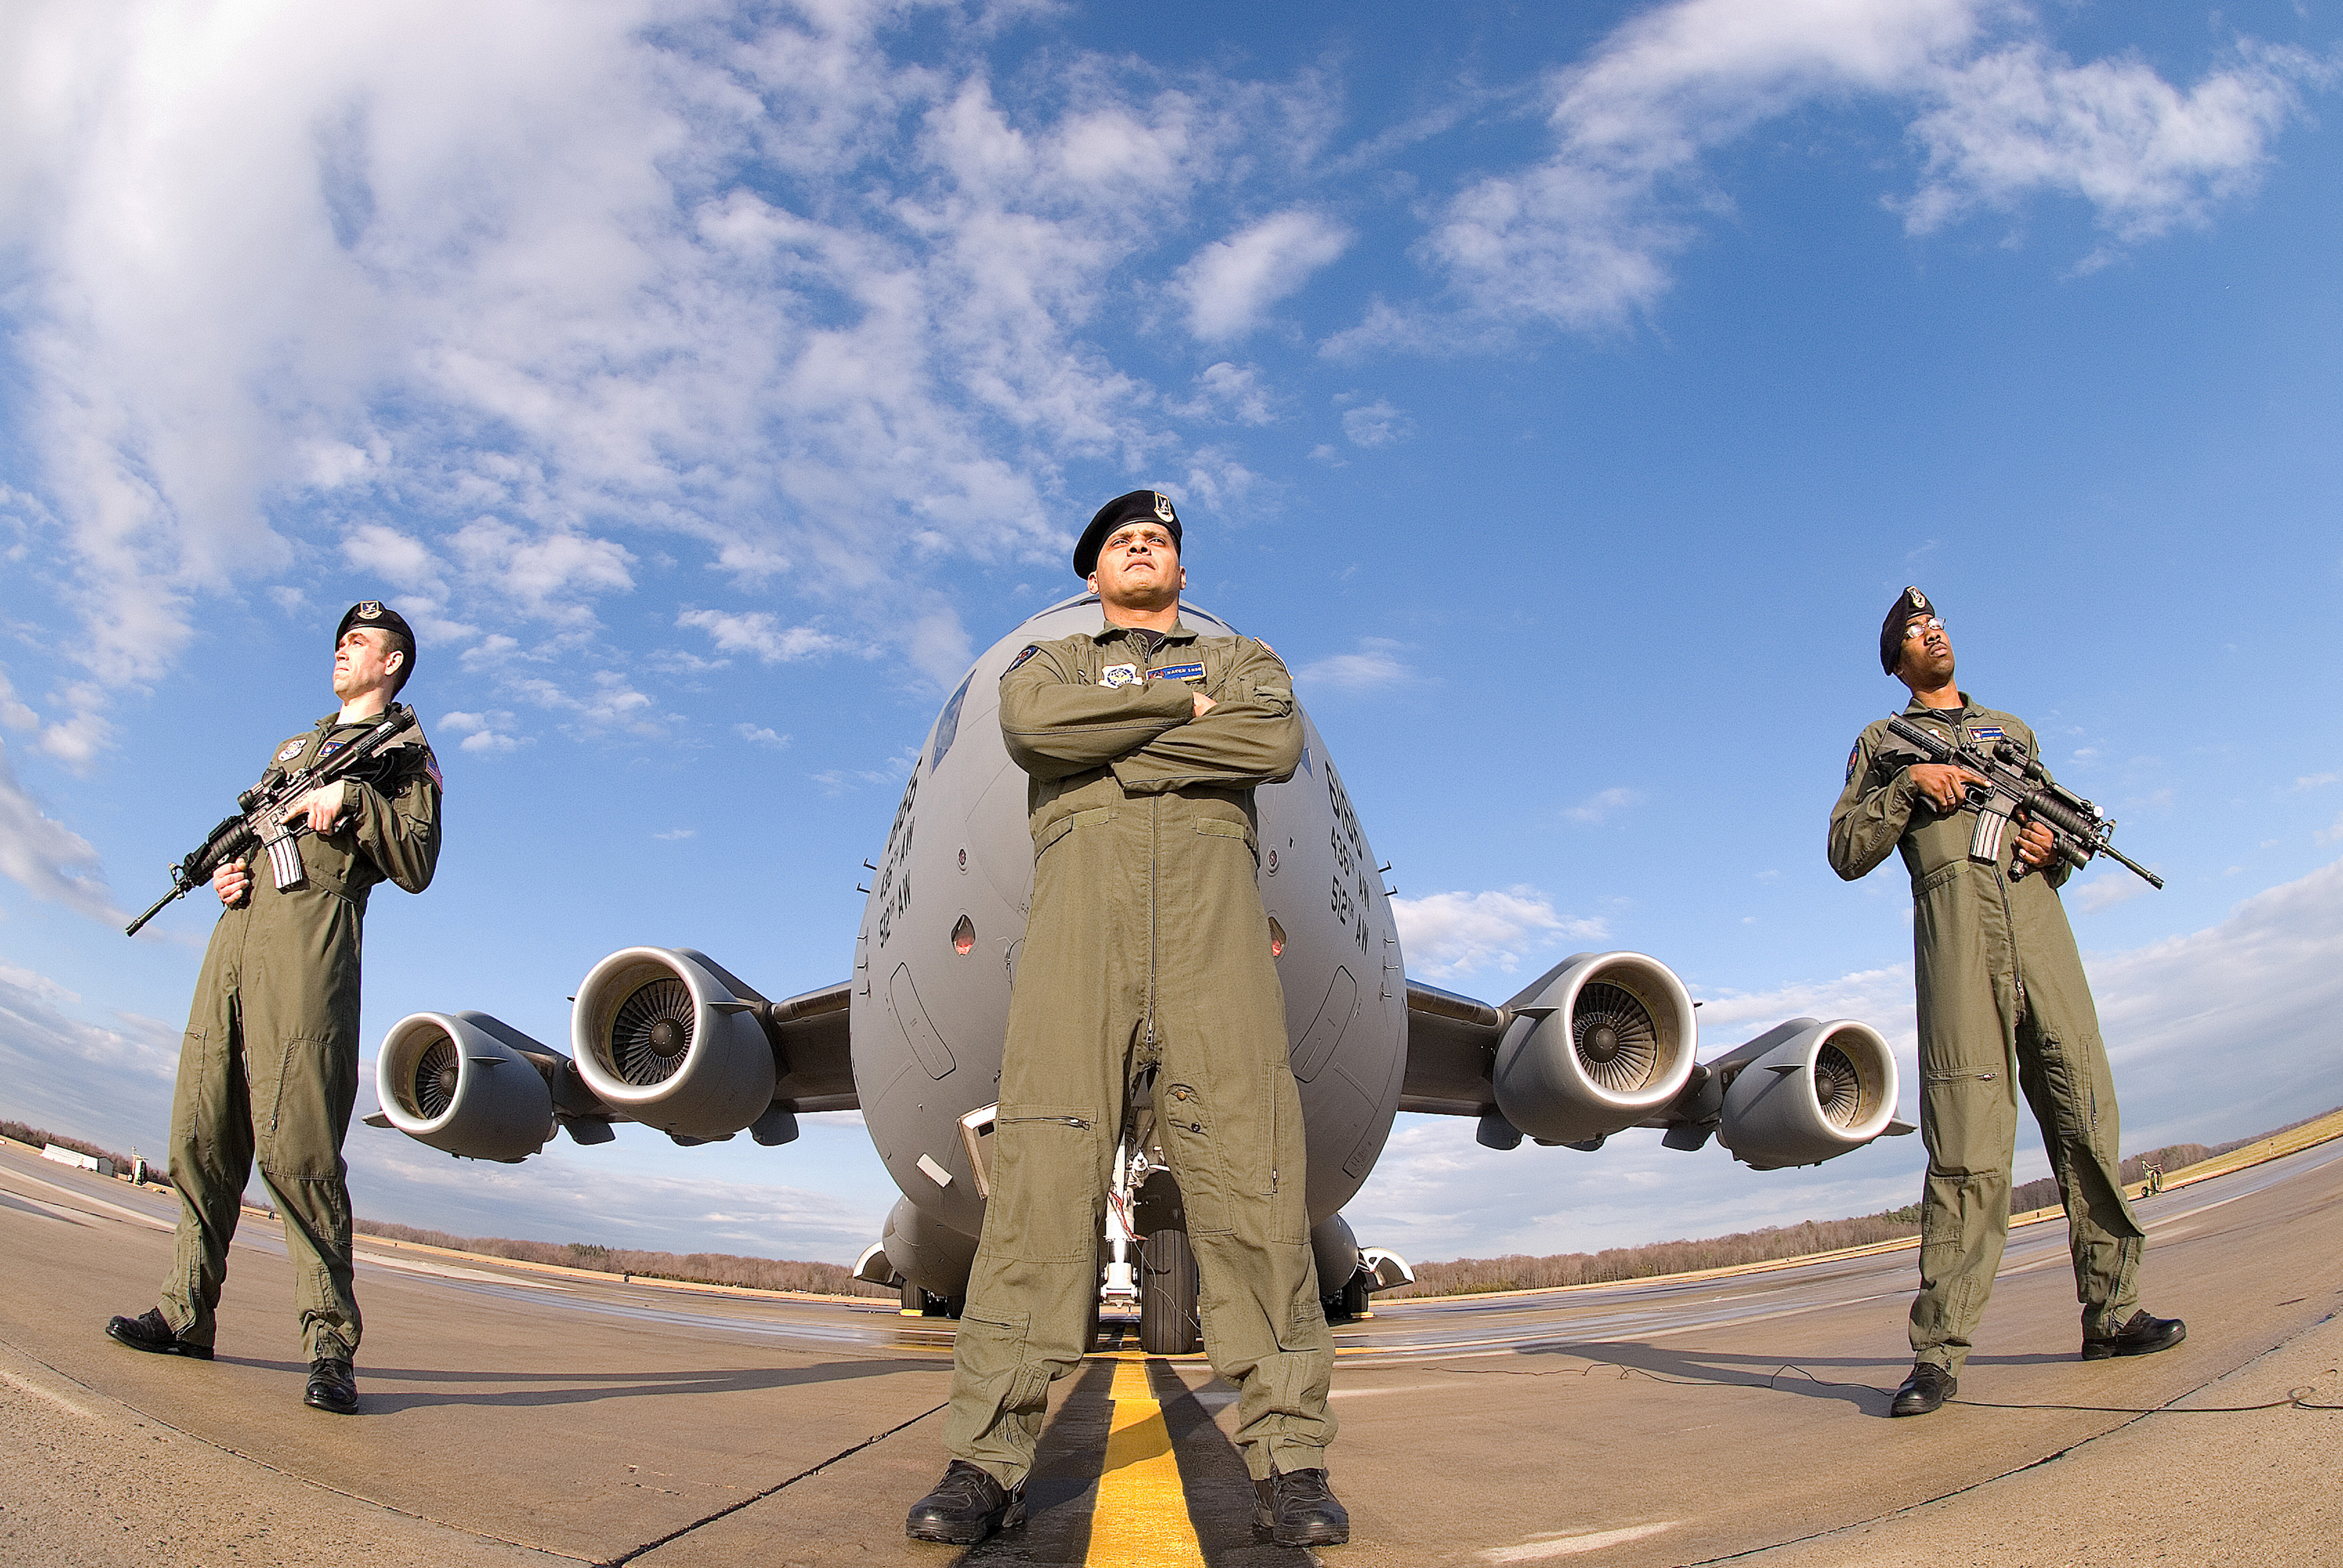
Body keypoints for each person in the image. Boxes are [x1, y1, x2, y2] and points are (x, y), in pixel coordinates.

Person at [905, 491, 1344, 1547]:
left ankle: (1290, 1461)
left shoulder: (1245, 662)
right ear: (1095, 574)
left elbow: (1272, 743)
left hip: (1213, 934)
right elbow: (1033, 730)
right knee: (1041, 1185)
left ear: (1181, 574)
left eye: (1157, 540)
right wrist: (1183, 719)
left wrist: (1116, 749)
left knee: (1253, 1179)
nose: (1140, 548)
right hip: (1079, 939)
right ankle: (985, 1459)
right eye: (1120, 541)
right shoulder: (1047, 667)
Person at [1828, 587, 2182, 1419]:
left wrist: (2054, 846)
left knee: (2084, 1115)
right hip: (1957, 944)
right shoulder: (1882, 744)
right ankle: (1939, 1356)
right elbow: (1846, 848)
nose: (1934, 629)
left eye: (1937, 619)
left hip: (2038, 930)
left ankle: (2114, 1312)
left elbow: (2061, 831)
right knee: (1967, 1145)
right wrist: (1913, 784)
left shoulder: (2012, 732)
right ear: (1895, 658)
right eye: (1915, 628)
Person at [106, 601, 442, 1416]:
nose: (342, 650)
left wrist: (352, 806)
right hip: (240, 933)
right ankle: (187, 1312)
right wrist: (231, 877)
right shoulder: (294, 748)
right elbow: (263, 838)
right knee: (201, 1124)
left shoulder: (405, 753)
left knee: (298, 1146)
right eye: (339, 640)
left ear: (393, 663)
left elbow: (419, 860)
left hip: (312, 937)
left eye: (361, 642)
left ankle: (329, 1345)